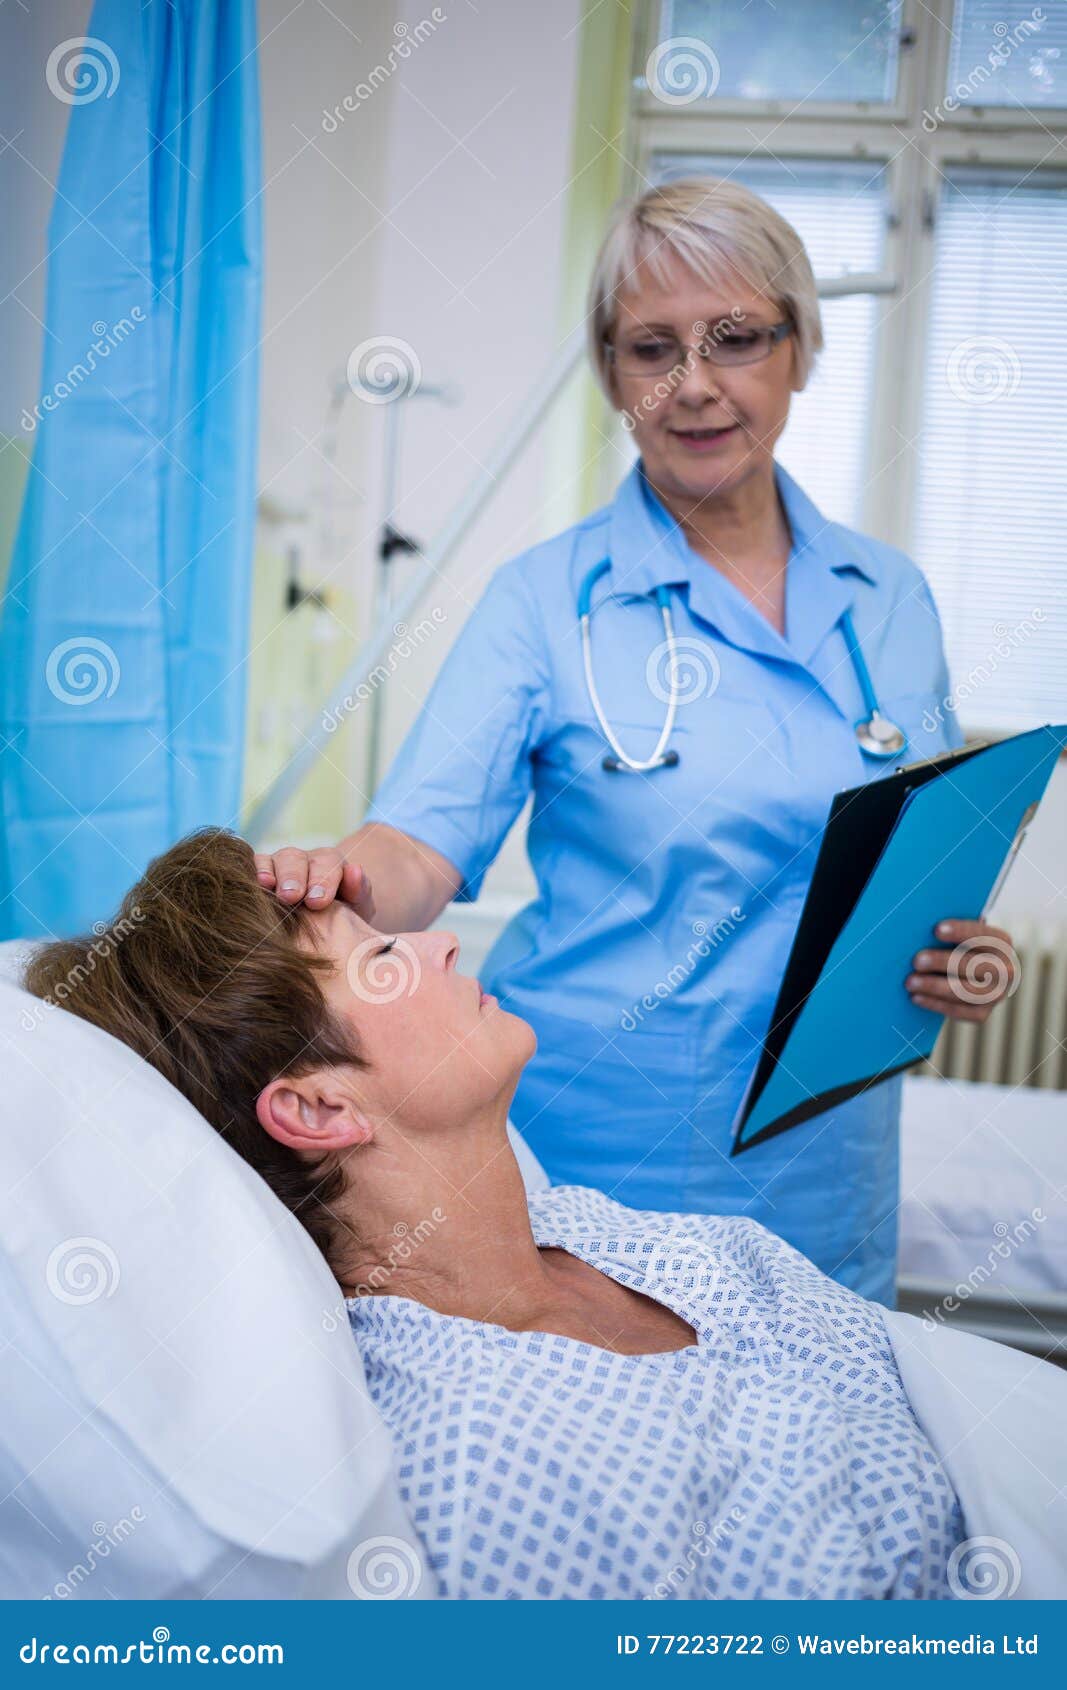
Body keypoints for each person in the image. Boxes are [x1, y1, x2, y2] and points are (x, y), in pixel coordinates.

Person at [255, 176, 1017, 1305]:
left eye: (735, 339)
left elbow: (920, 857)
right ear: (612, 374)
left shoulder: (890, 597)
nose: (692, 384)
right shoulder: (543, 601)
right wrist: (339, 878)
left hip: (826, 1161)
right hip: (596, 1153)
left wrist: (952, 956)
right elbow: (416, 845)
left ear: (799, 350)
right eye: (651, 347)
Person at [23, 827, 966, 1600]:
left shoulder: (614, 1235)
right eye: (381, 955)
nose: (438, 943)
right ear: (317, 1109)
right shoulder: (483, 1459)